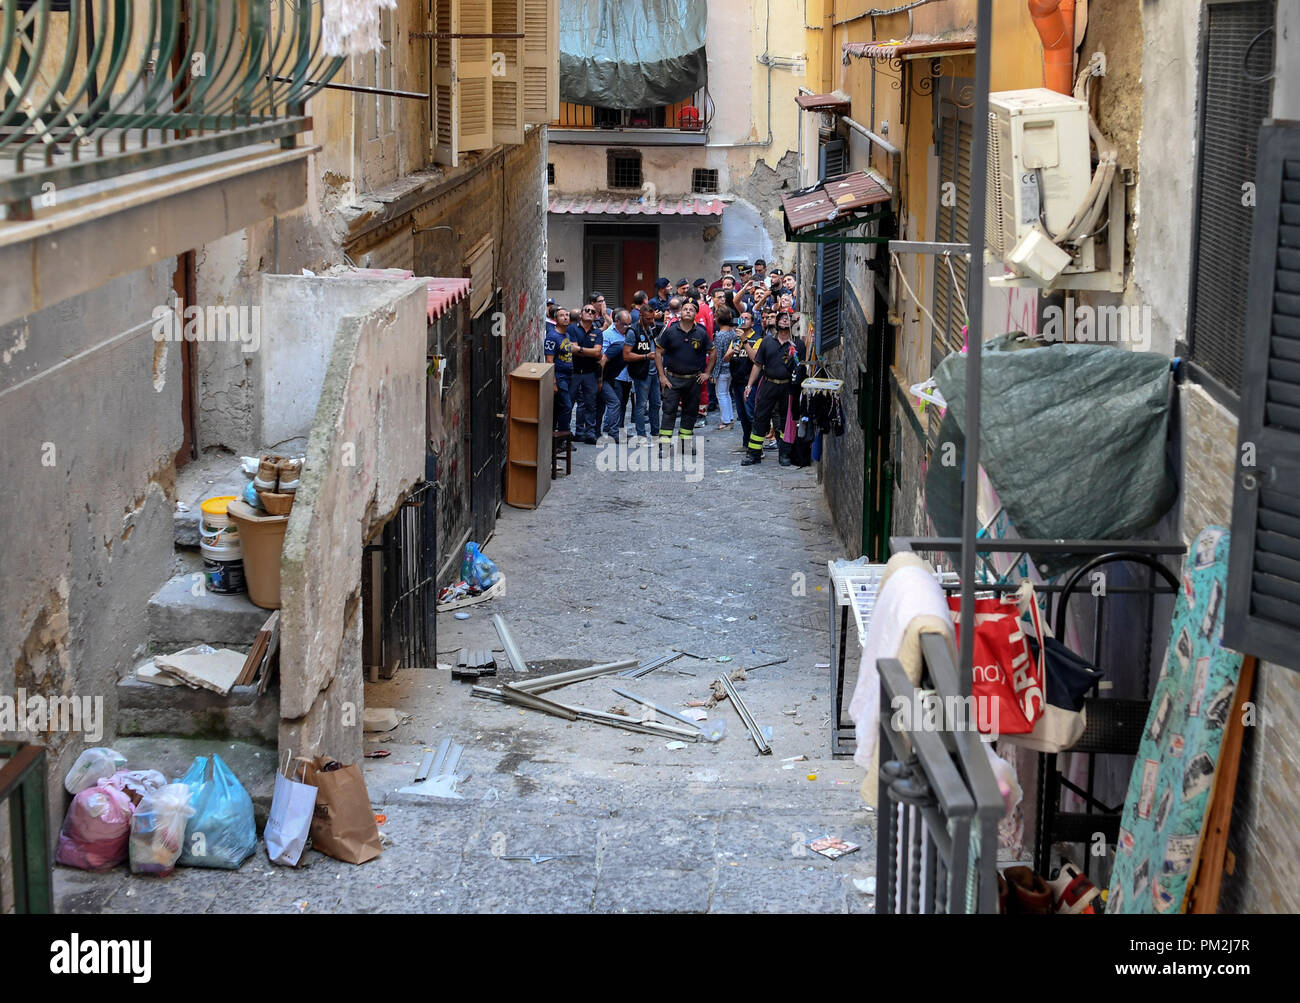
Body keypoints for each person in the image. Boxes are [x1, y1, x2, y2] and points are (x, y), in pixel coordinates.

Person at [654, 300, 714, 455]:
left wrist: (707, 373)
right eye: (685, 309)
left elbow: (712, 353)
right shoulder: (670, 331)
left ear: (695, 314)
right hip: (672, 379)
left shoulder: (701, 333)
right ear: (680, 313)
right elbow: (658, 353)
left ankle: (684, 445)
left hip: (693, 380)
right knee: (669, 412)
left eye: (691, 310)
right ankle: (664, 447)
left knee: (690, 413)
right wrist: (662, 376)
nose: (688, 311)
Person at [743, 311, 800, 466]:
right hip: (768, 385)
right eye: (781, 318)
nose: (783, 321)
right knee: (760, 418)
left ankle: (784, 455)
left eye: (787, 319)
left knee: (784, 422)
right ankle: (753, 454)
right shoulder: (767, 341)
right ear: (776, 322)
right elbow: (757, 364)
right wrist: (749, 385)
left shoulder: (798, 344)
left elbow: (803, 369)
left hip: (787, 388)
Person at [622, 305, 661, 444]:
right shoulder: (633, 331)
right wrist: (645, 357)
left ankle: (656, 433)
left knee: (656, 404)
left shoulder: (651, 328)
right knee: (641, 405)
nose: (650, 321)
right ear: (641, 316)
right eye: (647, 318)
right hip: (641, 373)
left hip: (654, 372)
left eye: (652, 318)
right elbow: (626, 355)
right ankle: (641, 435)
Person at [568, 303, 604, 443]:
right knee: (568, 403)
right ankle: (568, 432)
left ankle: (590, 433)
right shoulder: (572, 329)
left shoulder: (598, 332)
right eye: (587, 310)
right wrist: (589, 351)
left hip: (590, 373)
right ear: (581, 314)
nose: (590, 312)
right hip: (574, 372)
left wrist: (580, 350)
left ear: (595, 316)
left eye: (593, 311)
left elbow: (597, 353)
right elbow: (572, 349)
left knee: (590, 404)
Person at [726, 309, 762, 448]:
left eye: (747, 318)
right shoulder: (734, 339)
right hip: (737, 382)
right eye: (741, 318)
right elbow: (725, 358)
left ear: (752, 323)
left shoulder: (758, 338)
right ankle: (746, 443)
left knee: (751, 415)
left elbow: (755, 359)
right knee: (742, 416)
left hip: (750, 383)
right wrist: (731, 352)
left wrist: (744, 341)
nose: (743, 320)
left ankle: (756, 446)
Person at [598, 309, 632, 442]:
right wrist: (600, 380)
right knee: (614, 403)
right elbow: (602, 360)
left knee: (615, 404)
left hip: (614, 377)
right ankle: (613, 431)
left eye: (629, 324)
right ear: (616, 322)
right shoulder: (618, 345)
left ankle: (609, 429)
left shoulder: (625, 342)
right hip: (604, 377)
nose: (627, 328)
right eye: (624, 324)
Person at [544, 306, 573, 435]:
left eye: (567, 315)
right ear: (555, 319)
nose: (565, 317)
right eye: (562, 315)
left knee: (561, 406)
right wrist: (554, 382)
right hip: (559, 376)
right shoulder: (552, 336)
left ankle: (558, 436)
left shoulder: (566, 334)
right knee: (566, 406)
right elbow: (549, 361)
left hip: (568, 376)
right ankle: (563, 436)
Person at [712, 306, 737, 430]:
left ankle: (726, 420)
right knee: (726, 394)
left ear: (717, 319)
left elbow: (718, 356)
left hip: (722, 369)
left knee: (721, 394)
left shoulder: (720, 335)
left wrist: (714, 374)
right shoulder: (733, 332)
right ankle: (730, 417)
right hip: (732, 368)